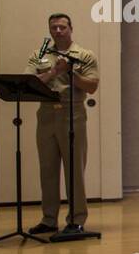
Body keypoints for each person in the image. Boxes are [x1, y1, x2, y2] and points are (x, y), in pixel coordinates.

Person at [27, 13, 99, 235]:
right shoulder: (40, 54)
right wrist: (54, 71)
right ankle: (49, 219)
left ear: (71, 28)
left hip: (72, 114)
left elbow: (92, 86)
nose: (58, 31)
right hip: (46, 115)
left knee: (74, 170)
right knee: (47, 170)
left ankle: (76, 220)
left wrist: (70, 73)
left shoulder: (84, 55)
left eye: (62, 27)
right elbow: (29, 81)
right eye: (54, 27)